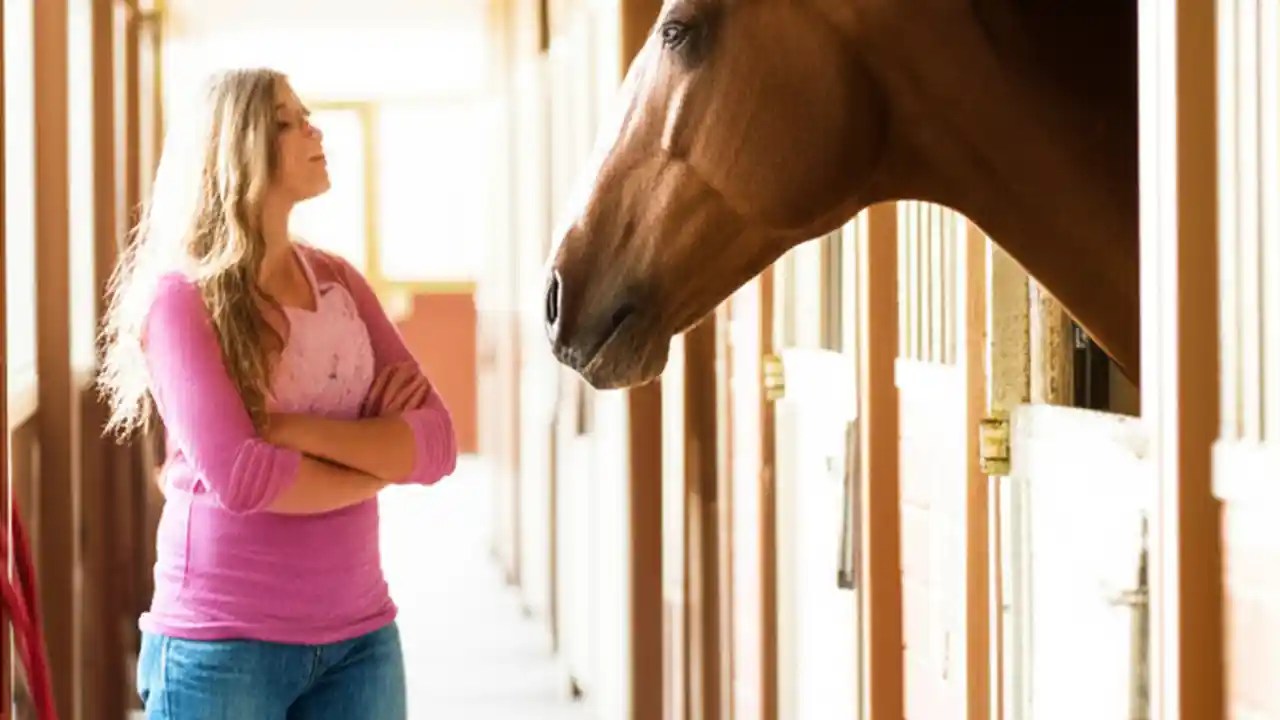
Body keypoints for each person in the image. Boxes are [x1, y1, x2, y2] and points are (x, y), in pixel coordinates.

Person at [96, 67, 458, 718]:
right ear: (236, 147)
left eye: (306, 113)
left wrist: (292, 433)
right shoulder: (181, 300)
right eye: (287, 121)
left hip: (362, 640)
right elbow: (245, 478)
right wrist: (378, 458)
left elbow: (436, 445)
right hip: (222, 646)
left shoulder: (338, 280)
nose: (313, 129)